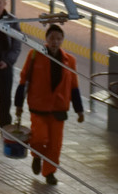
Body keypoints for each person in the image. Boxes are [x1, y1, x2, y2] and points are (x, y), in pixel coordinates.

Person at [14, 23, 84, 185]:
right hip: (38, 106)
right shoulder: (34, 55)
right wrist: (19, 105)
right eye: (52, 38)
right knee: (39, 137)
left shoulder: (70, 61)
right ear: (46, 39)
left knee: (55, 144)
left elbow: (74, 87)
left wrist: (79, 110)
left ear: (62, 41)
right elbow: (24, 81)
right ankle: (37, 156)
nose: (55, 42)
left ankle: (49, 172)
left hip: (59, 108)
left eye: (59, 39)